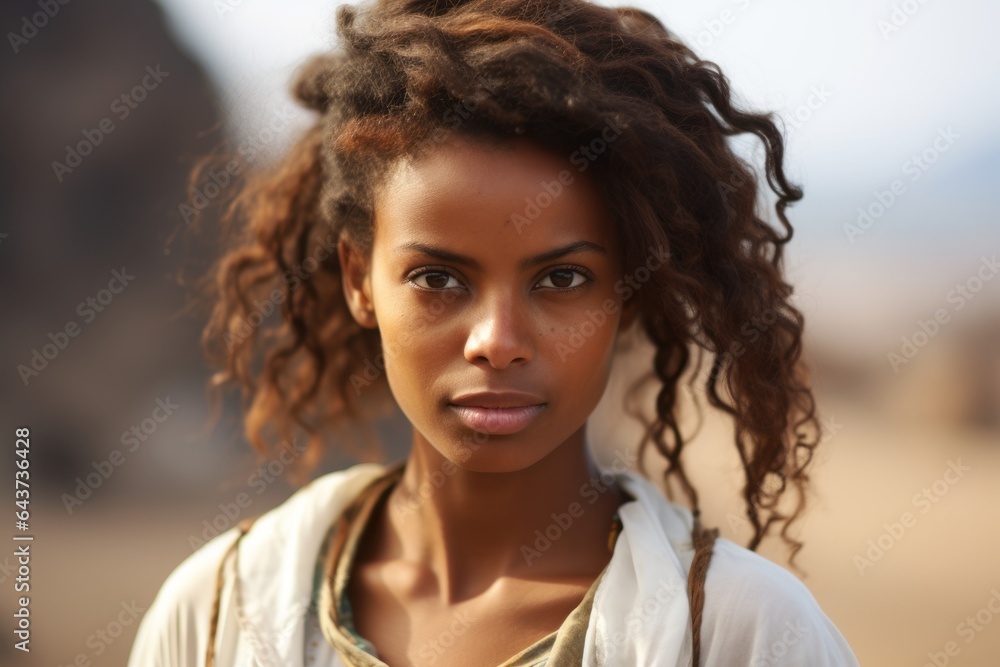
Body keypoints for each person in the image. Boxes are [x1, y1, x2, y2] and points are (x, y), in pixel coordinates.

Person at [130, 0, 861, 664]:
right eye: (439, 279)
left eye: (562, 279)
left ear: (630, 293)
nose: (497, 339)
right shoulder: (220, 614)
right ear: (359, 279)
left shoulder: (741, 633)